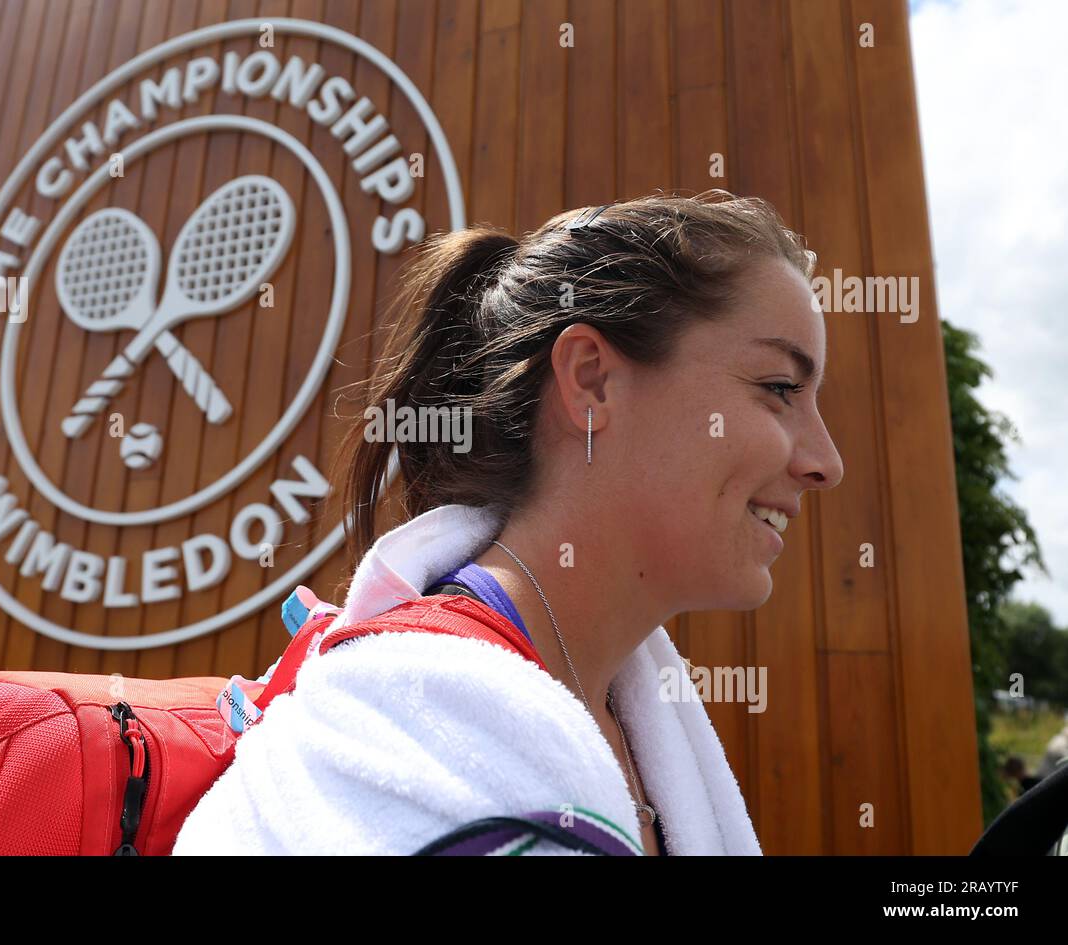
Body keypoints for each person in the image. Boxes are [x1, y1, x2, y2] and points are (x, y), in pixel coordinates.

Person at [173, 190, 844, 856]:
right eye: (780, 387)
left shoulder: (610, 721)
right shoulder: (402, 727)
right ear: (591, 380)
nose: (826, 462)